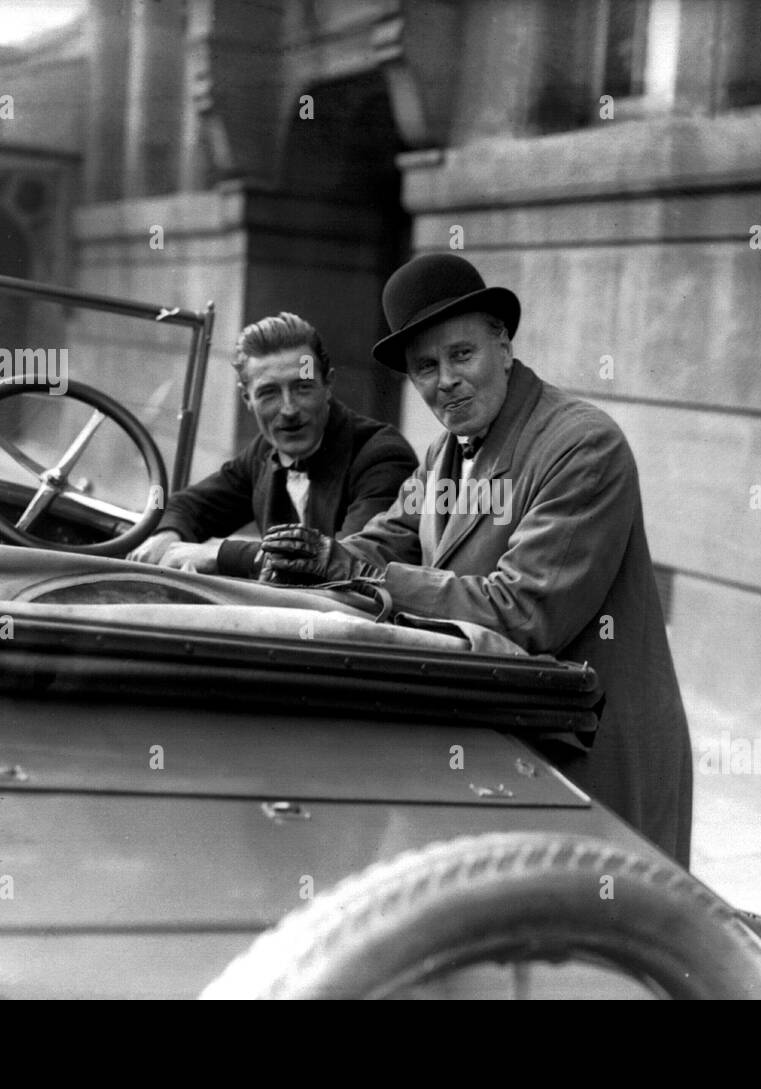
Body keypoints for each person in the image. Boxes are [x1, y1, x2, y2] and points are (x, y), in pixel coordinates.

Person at [258, 255, 694, 866]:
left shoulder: (582, 444)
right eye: (425, 367)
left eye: (462, 355)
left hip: (590, 758)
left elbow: (523, 613)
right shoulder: (445, 451)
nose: (446, 381)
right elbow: (386, 540)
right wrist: (298, 560)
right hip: (509, 743)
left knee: (596, 920)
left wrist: (350, 571)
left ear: (504, 348)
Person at [129, 311, 417, 576]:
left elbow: (352, 562)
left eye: (303, 387)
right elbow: (189, 505)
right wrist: (168, 535)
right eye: (269, 393)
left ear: (328, 385)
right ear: (247, 399)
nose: (289, 409)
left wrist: (224, 554)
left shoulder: (382, 456)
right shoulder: (264, 452)